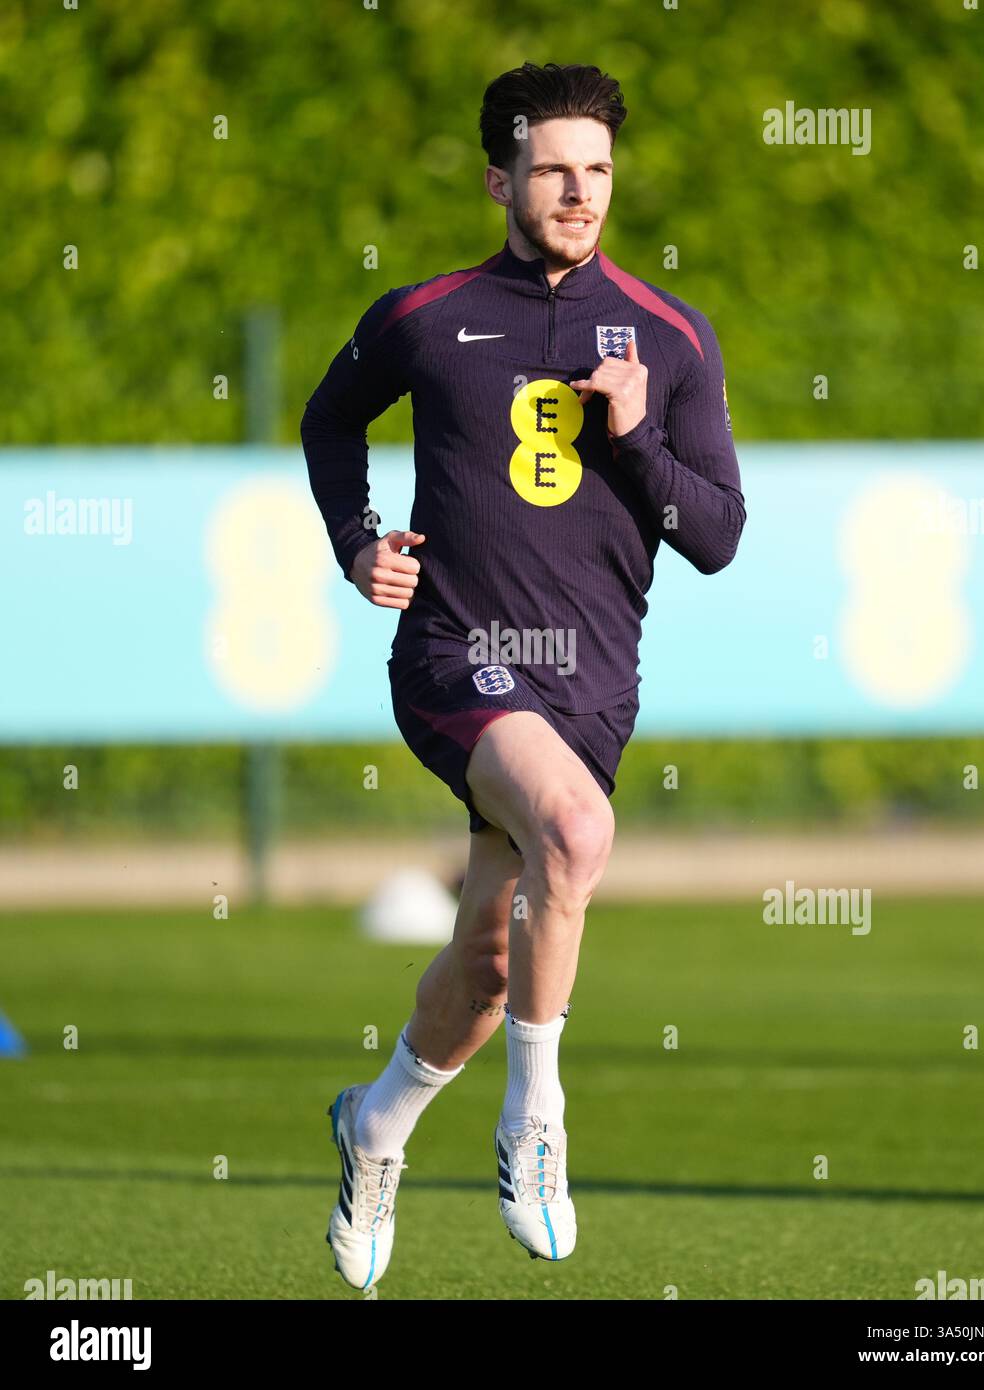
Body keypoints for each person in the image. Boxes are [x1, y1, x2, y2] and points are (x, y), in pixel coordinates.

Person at [301, 60, 746, 1290]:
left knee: (493, 965)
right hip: (456, 657)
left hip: (592, 684)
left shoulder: (668, 336)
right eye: (552, 167)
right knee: (573, 823)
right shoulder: (423, 316)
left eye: (596, 169)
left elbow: (715, 535)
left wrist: (638, 432)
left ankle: (376, 1123)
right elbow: (328, 420)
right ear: (500, 177)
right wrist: (358, 542)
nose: (578, 190)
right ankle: (535, 1124)